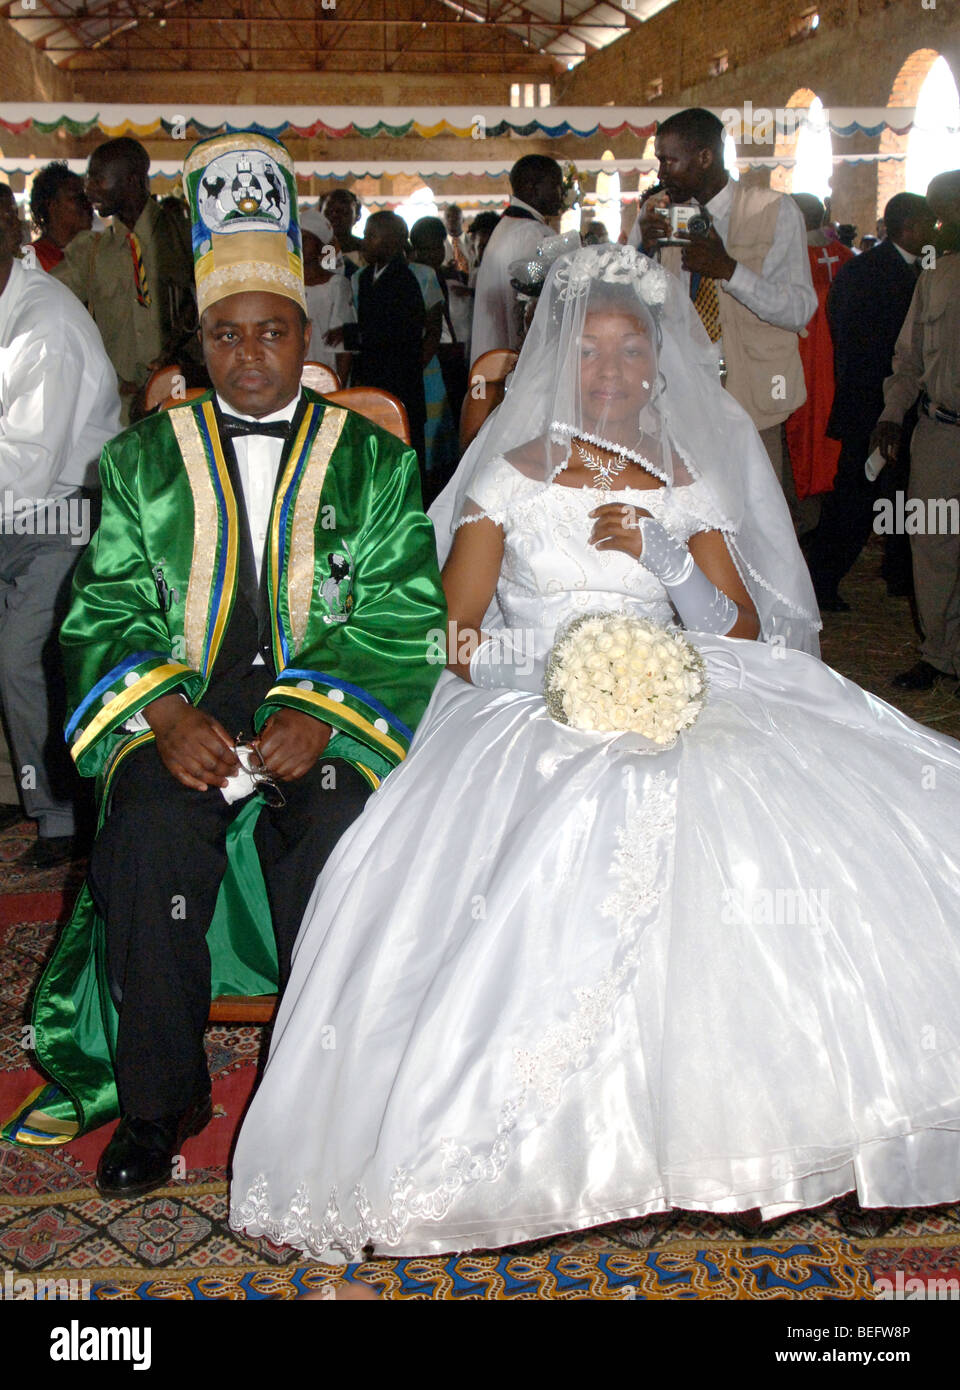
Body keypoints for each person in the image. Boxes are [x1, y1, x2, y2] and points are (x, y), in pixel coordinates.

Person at [230, 244, 960, 1263]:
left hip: (679, 687)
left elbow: (741, 628)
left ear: (659, 365)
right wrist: (553, 679)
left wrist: (670, 561)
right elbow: (457, 630)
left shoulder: (680, 472)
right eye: (593, 354)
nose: (612, 373)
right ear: (559, 362)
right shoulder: (509, 478)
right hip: (535, 701)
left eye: (632, 353)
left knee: (775, 830)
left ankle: (782, 1123)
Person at [1, 134, 446, 1195]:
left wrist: (322, 715)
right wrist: (160, 716)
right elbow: (102, 606)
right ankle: (164, 1102)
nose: (252, 355)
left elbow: (402, 612)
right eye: (227, 334)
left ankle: (331, 1086)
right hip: (186, 713)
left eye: (273, 332)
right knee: (148, 831)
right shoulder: (144, 457)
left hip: (319, 717)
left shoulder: (376, 460)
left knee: (339, 820)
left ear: (308, 336)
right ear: (198, 343)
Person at [0, 183, 120, 869]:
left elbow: (29, 464)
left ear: (14, 232)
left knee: (24, 657)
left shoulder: (42, 324)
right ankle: (23, 788)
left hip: (68, 510)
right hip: (16, 510)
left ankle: (62, 815)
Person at [632, 108, 816, 525]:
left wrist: (729, 270)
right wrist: (642, 248)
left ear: (704, 157)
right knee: (683, 519)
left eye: (668, 159)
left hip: (750, 399)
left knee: (755, 525)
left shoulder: (773, 211)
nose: (661, 171)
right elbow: (629, 303)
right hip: (674, 399)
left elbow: (799, 309)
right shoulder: (656, 211)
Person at [804, 192, 935, 612]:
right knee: (855, 499)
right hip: (870, 407)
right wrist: (885, 407)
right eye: (928, 226)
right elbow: (857, 342)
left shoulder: (911, 269)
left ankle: (899, 575)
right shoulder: (869, 272)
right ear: (909, 227)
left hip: (898, 406)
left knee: (899, 495)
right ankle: (821, 580)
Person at [877, 170, 960, 692]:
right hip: (941, 433)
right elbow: (907, 359)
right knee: (931, 545)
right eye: (935, 211)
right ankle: (939, 653)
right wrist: (891, 414)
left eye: (947, 209)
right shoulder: (934, 277)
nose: (938, 221)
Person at [52, 137, 197, 423]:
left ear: (131, 181)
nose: (88, 188)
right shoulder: (90, 252)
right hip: (116, 413)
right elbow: (44, 296)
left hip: (182, 403)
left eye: (97, 179)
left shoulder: (185, 238)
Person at [783, 193, 855, 533]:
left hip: (799, 366)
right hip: (838, 369)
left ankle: (802, 509)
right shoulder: (845, 256)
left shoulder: (786, 259)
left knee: (799, 435)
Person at [347, 210, 427, 471]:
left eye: (371, 236)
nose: (364, 242)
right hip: (376, 377)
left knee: (404, 450)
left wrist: (360, 335)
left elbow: (403, 333)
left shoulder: (404, 280)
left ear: (393, 242)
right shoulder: (367, 277)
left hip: (399, 379)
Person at [471, 154, 563, 361]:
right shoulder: (531, 233)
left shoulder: (510, 226)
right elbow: (531, 306)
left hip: (495, 351)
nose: (561, 193)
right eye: (556, 185)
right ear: (532, 188)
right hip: (513, 356)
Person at [410, 216, 461, 502]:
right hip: (428, 359)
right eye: (425, 250)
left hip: (441, 356)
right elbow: (433, 325)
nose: (432, 255)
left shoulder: (441, 274)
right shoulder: (420, 275)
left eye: (436, 248)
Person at [300, 206, 354, 382]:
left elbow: (344, 346)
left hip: (326, 376)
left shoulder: (337, 285)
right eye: (296, 239)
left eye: (306, 239)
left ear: (320, 247)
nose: (299, 244)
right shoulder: (287, 285)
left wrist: (339, 386)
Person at [29, 162, 93, 273]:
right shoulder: (31, 259)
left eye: (87, 197)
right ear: (52, 205)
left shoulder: (96, 252)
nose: (87, 203)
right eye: (76, 198)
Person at [321, 188, 364, 277]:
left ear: (357, 216)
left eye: (343, 212)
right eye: (329, 212)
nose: (334, 216)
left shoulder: (367, 252)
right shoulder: (309, 249)